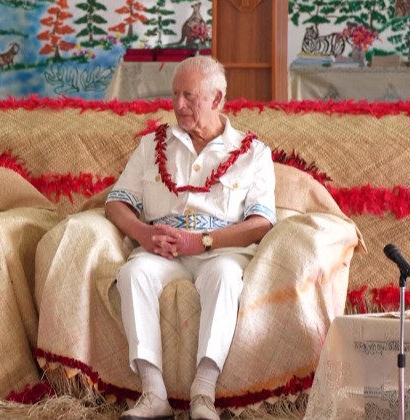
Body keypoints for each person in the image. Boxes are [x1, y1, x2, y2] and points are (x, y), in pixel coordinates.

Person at [104, 56, 275, 420]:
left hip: (221, 251)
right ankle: (153, 394)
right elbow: (116, 203)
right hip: (162, 250)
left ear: (216, 99)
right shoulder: (153, 145)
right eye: (175, 94)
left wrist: (203, 242)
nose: (178, 105)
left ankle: (204, 393)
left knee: (226, 277)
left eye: (189, 96)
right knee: (133, 274)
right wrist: (143, 234)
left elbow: (261, 222)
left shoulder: (253, 153)